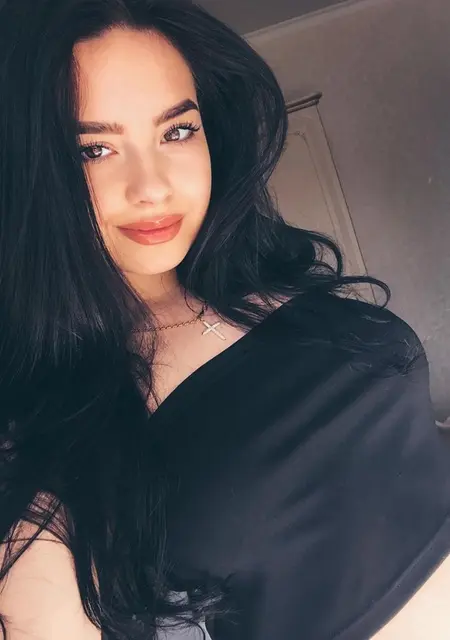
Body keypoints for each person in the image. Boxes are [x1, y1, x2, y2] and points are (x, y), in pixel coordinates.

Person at [0, 0, 450, 638]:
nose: (152, 186)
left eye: (176, 131)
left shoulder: (271, 277)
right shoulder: (58, 434)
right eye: (94, 149)